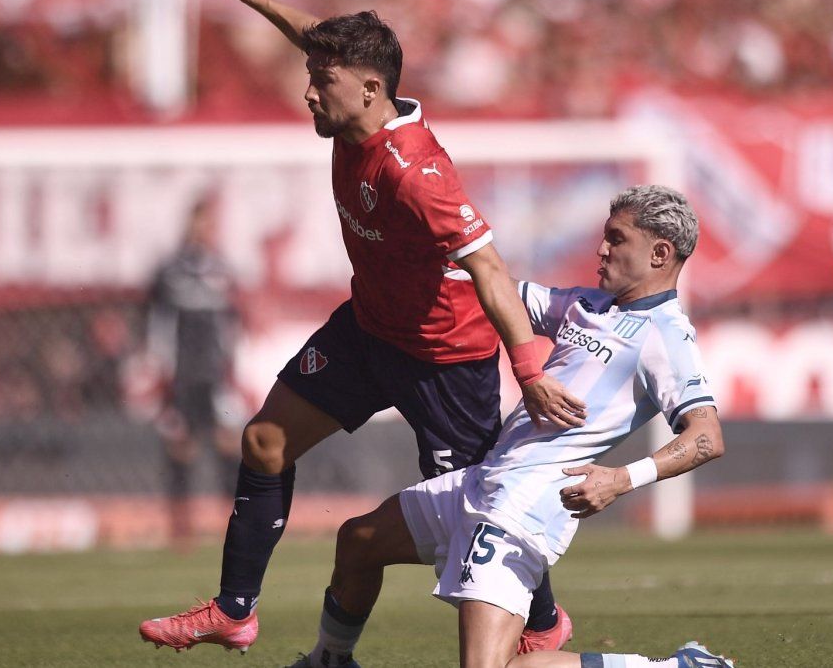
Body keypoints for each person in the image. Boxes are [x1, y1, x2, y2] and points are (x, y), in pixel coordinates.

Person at [139, 0, 587, 656]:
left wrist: (528, 370)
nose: (309, 94)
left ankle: (544, 622)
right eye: (311, 77)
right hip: (370, 328)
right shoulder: (352, 100)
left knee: (480, 519)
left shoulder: (417, 174)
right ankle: (235, 611)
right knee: (264, 441)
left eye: (322, 83)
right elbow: (304, 32)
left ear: (371, 88)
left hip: (443, 359)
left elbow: (489, 268)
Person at [285, 185, 733, 668]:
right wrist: (428, 253)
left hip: (521, 510)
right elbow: (499, 293)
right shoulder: (587, 304)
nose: (601, 249)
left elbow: (706, 436)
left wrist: (623, 478)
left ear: (660, 253)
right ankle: (329, 661)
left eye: (616, 239)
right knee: (359, 541)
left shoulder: (665, 335)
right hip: (484, 482)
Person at [147, 196, 243, 549]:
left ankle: (235, 525)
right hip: (183, 373)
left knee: (229, 441)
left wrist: (235, 367)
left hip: (217, 373)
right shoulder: (170, 271)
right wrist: (160, 368)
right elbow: (157, 322)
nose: (206, 230)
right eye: (201, 222)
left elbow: (232, 324)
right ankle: (180, 528)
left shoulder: (222, 268)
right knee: (181, 444)